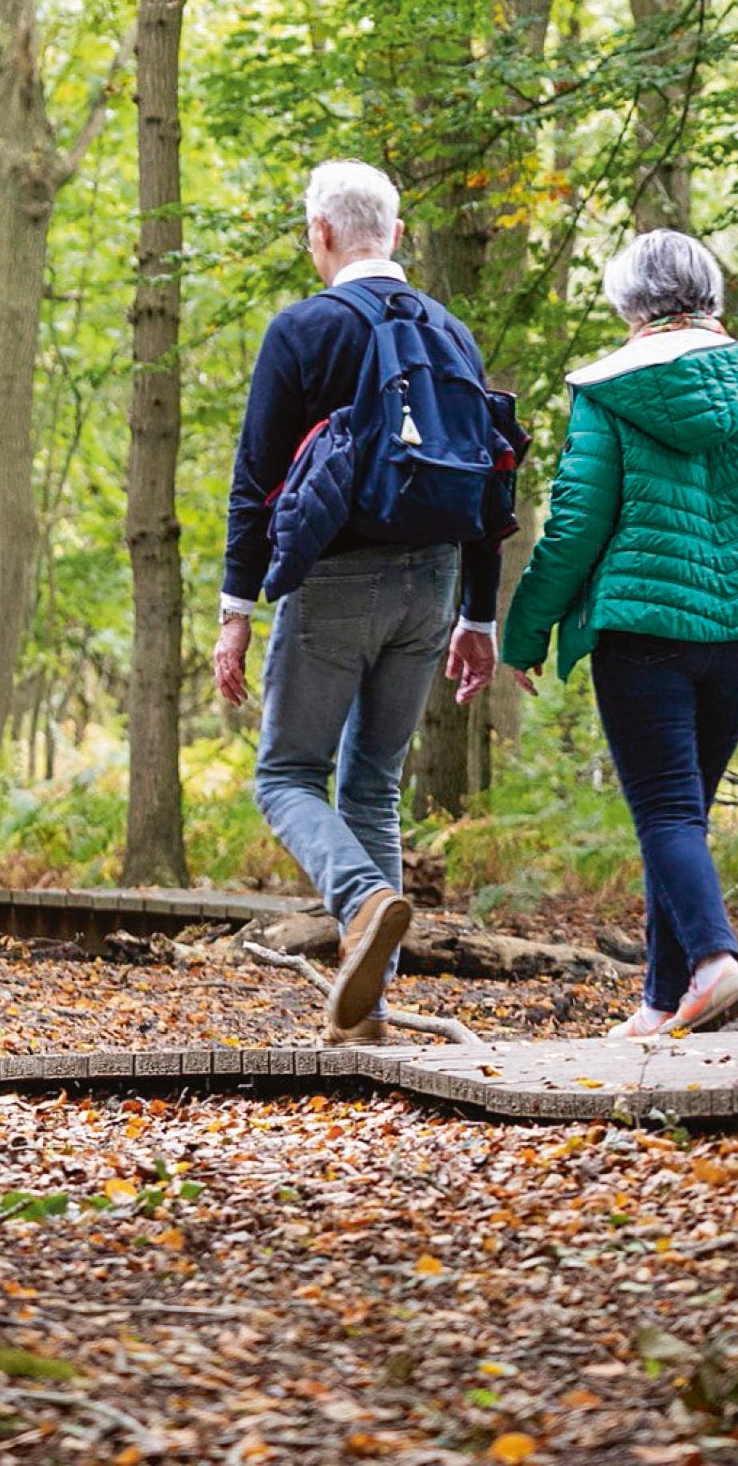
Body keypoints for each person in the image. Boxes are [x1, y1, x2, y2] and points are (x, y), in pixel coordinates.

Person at [500, 227, 738, 1038]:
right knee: (682, 814)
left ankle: (714, 963)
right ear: (712, 296)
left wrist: (522, 634)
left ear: (629, 303)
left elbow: (574, 530)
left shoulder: (607, 390)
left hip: (641, 632)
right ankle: (664, 1002)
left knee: (666, 813)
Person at [215, 160, 502, 1046]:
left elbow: (257, 478)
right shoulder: (452, 333)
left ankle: (364, 898)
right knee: (373, 783)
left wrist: (236, 606)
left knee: (286, 774)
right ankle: (364, 1012)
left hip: (335, 578)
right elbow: (492, 474)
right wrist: (479, 616)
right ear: (400, 234)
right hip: (432, 584)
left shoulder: (303, 329)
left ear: (321, 233)